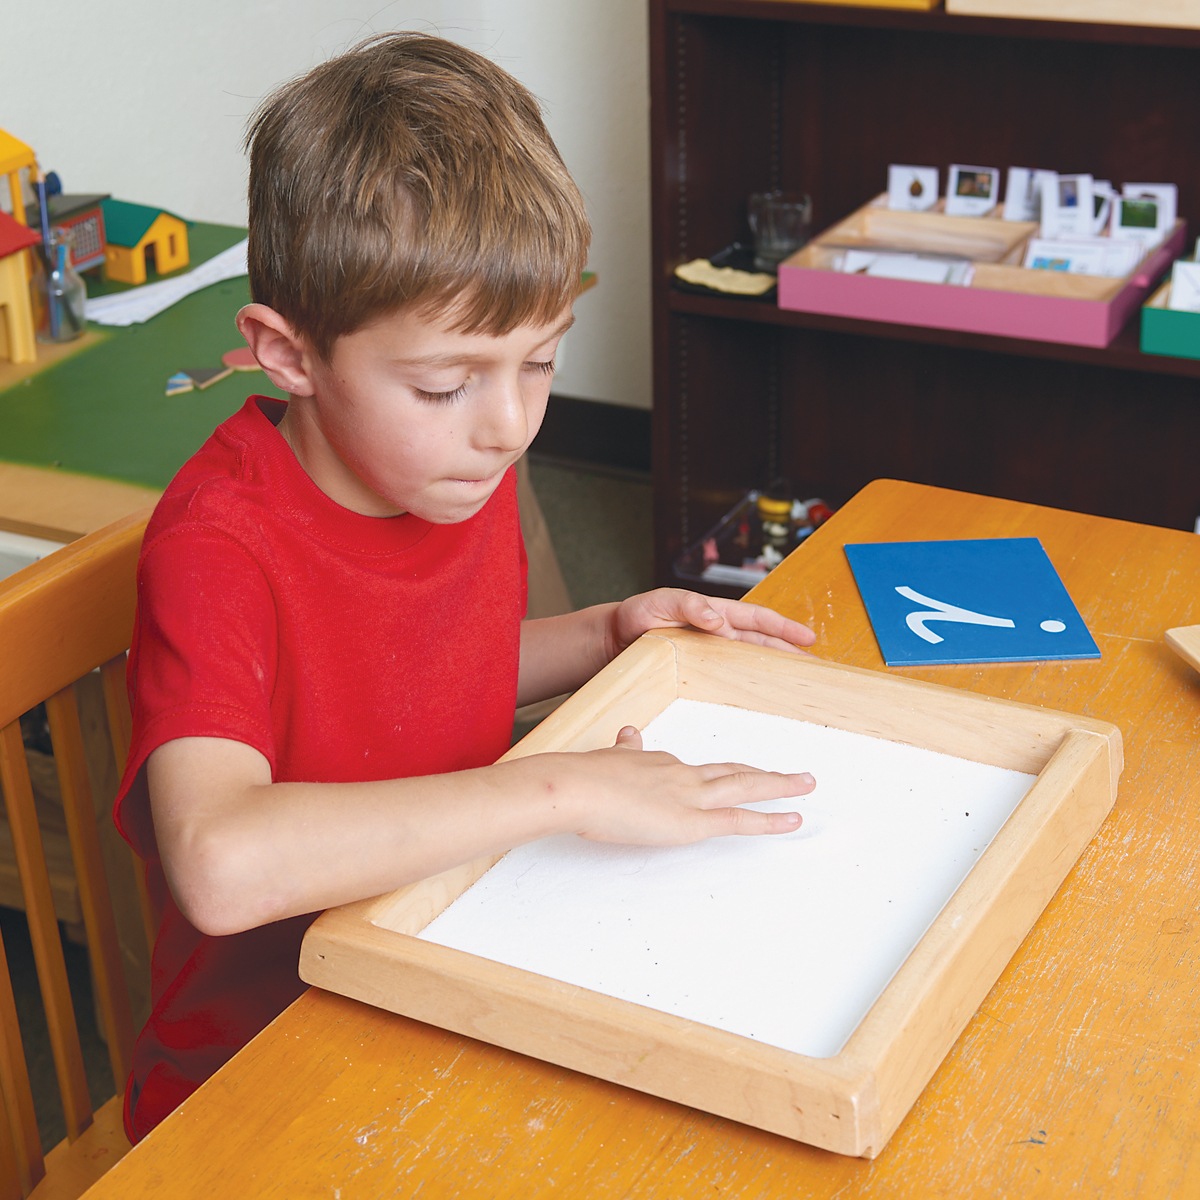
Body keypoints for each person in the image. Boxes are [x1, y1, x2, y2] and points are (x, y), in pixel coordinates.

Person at [113, 31, 817, 1143]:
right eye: (446, 382)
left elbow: (415, 676)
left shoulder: (440, 463)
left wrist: (604, 630)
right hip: (265, 1081)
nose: (508, 425)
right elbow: (221, 862)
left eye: (541, 362)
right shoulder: (217, 549)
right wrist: (565, 790)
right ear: (289, 356)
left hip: (445, 973)